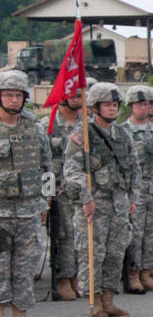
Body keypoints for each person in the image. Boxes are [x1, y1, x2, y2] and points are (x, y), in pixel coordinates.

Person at [64, 82, 141, 317]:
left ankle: (109, 299)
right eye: (107, 105)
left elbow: (134, 168)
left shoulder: (122, 135)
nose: (112, 109)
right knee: (92, 255)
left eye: (115, 105)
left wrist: (132, 197)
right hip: (94, 204)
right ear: (95, 107)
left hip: (118, 203)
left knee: (115, 254)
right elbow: (71, 170)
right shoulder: (82, 135)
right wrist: (85, 197)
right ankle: (94, 301)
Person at [0, 70, 51, 317]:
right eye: (7, 94)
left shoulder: (33, 126)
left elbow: (47, 165)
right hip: (1, 212)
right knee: (0, 267)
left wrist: (48, 197)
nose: (12, 99)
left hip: (29, 209)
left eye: (17, 95)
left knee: (24, 267)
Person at [47, 76, 95, 300]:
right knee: (63, 235)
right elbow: (43, 163)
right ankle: (63, 278)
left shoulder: (88, 124)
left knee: (82, 234)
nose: (78, 99)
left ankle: (78, 276)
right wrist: (46, 195)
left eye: (81, 95)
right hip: (59, 188)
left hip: (82, 189)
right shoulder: (46, 125)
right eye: (73, 95)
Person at [122, 84, 153, 293]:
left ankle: (147, 272)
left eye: (147, 104)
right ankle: (133, 274)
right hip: (136, 191)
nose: (144, 108)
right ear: (131, 106)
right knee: (135, 234)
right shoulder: (123, 132)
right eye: (140, 104)